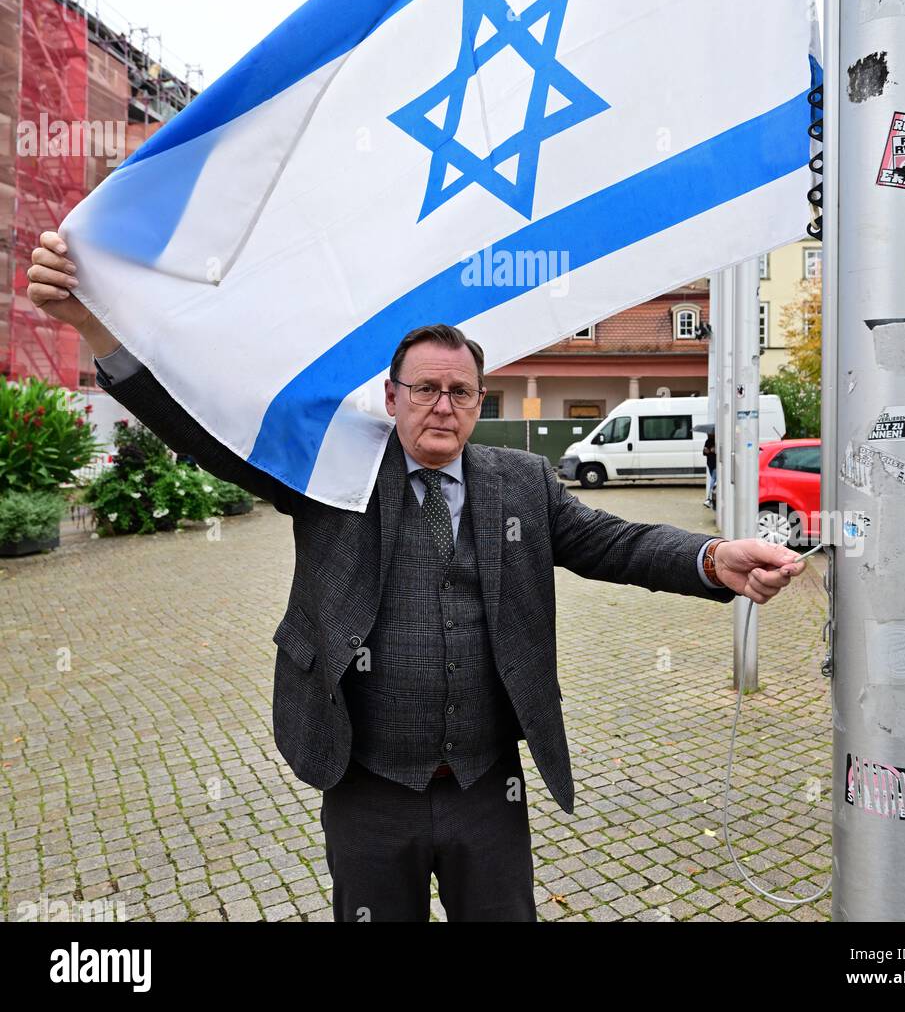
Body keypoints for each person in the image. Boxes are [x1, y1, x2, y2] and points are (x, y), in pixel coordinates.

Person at [28, 229, 807, 923]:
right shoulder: (334, 469)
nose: (442, 405)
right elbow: (207, 435)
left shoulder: (521, 482)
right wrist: (97, 329)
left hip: (484, 787)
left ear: (478, 400)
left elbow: (615, 543)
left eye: (460, 391)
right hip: (367, 782)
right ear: (392, 397)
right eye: (425, 389)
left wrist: (711, 558)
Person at [703, 431, 717, 509]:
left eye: (709, 433)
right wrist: (706, 451)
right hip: (710, 464)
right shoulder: (708, 441)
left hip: (716, 464)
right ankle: (711, 498)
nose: (707, 434)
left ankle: (709, 498)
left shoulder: (717, 440)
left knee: (713, 479)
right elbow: (704, 452)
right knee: (714, 480)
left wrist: (714, 450)